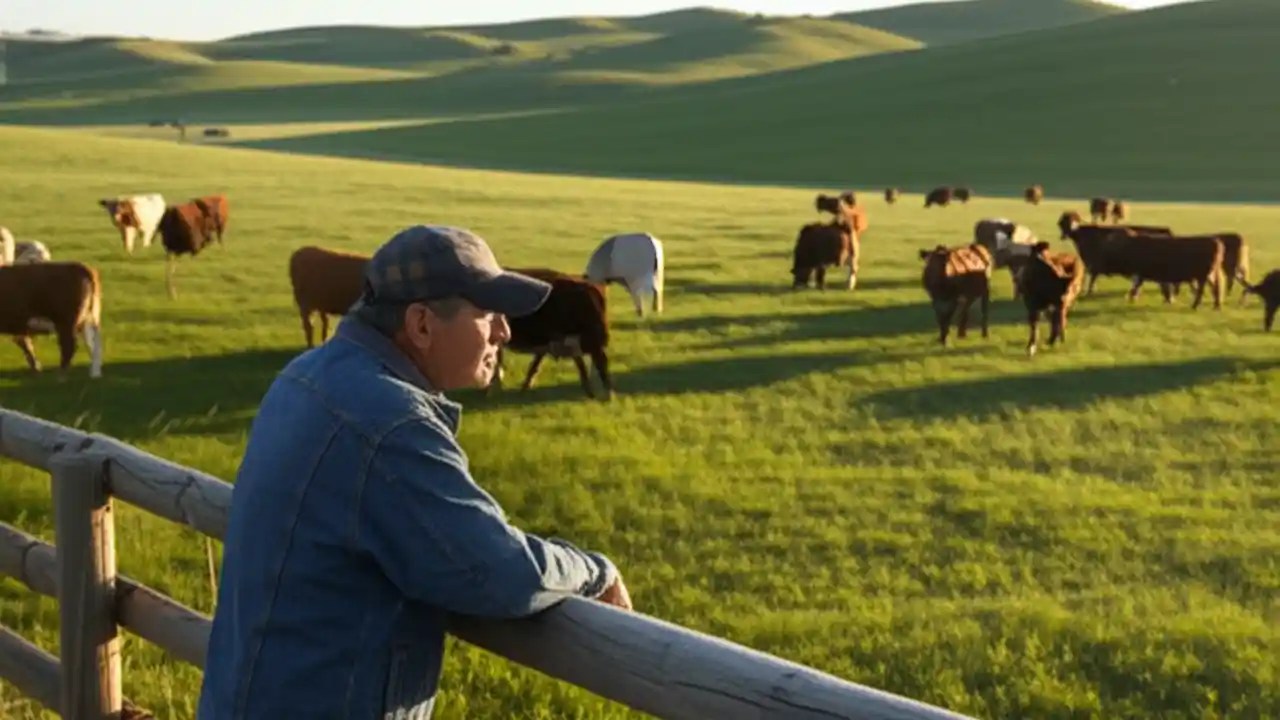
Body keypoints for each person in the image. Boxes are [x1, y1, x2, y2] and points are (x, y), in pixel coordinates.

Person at [197, 225, 632, 719]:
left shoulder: (305, 375)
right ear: (421, 325)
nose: (504, 332)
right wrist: (595, 570)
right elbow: (494, 571)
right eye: (486, 312)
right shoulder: (389, 423)